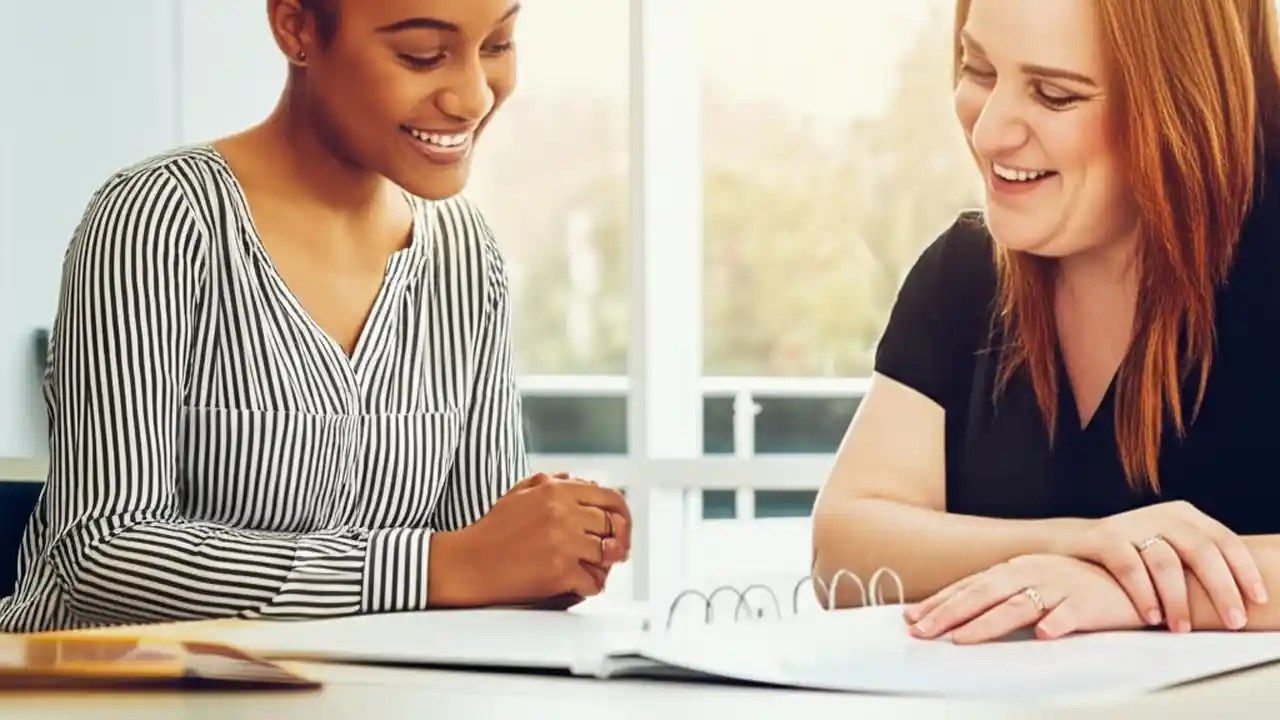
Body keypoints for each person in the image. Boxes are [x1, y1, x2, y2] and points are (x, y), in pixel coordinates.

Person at [0, 0, 631, 633]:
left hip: (351, 694)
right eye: (421, 56)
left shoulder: (464, 257)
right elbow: (103, 556)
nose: (472, 98)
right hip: (100, 694)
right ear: (296, 26)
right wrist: (436, 569)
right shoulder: (157, 220)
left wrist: (555, 551)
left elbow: (482, 559)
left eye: (497, 45)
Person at [812, 0, 1280, 644]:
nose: (988, 132)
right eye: (977, 69)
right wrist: (1083, 547)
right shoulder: (965, 274)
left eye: (1055, 95)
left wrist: (1126, 587)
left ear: (1181, 104)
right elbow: (844, 544)